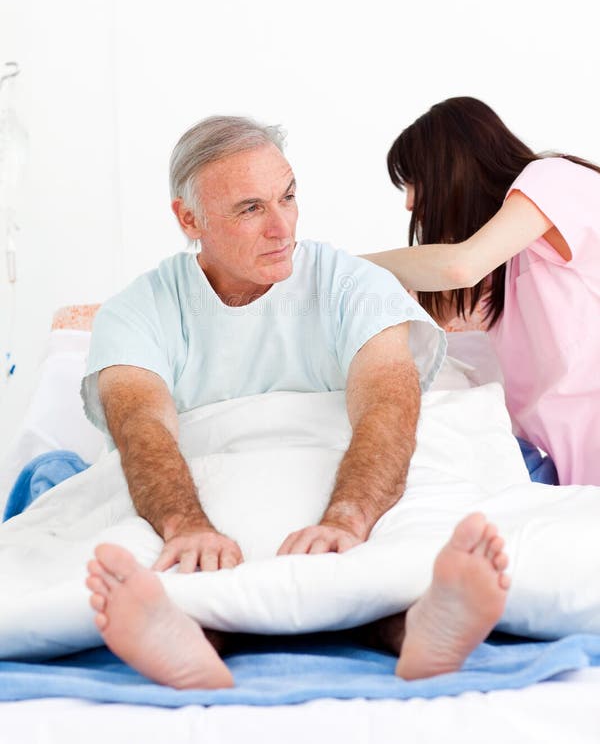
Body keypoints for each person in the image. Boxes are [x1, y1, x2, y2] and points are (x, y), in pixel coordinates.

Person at [82, 115, 508, 688]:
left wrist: (349, 515)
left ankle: (421, 624)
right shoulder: (138, 310)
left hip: (344, 473)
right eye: (250, 208)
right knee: (155, 551)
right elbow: (140, 425)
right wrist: (185, 525)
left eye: (287, 197)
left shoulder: (352, 284)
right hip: (212, 486)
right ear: (190, 219)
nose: (282, 227)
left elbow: (388, 402)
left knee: (406, 530)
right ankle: (191, 636)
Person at [364, 96, 600, 485]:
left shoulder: (553, 179)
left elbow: (460, 265)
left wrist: (342, 263)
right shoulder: (505, 273)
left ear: (453, 168)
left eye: (414, 181)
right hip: (574, 477)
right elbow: (429, 326)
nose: (409, 203)